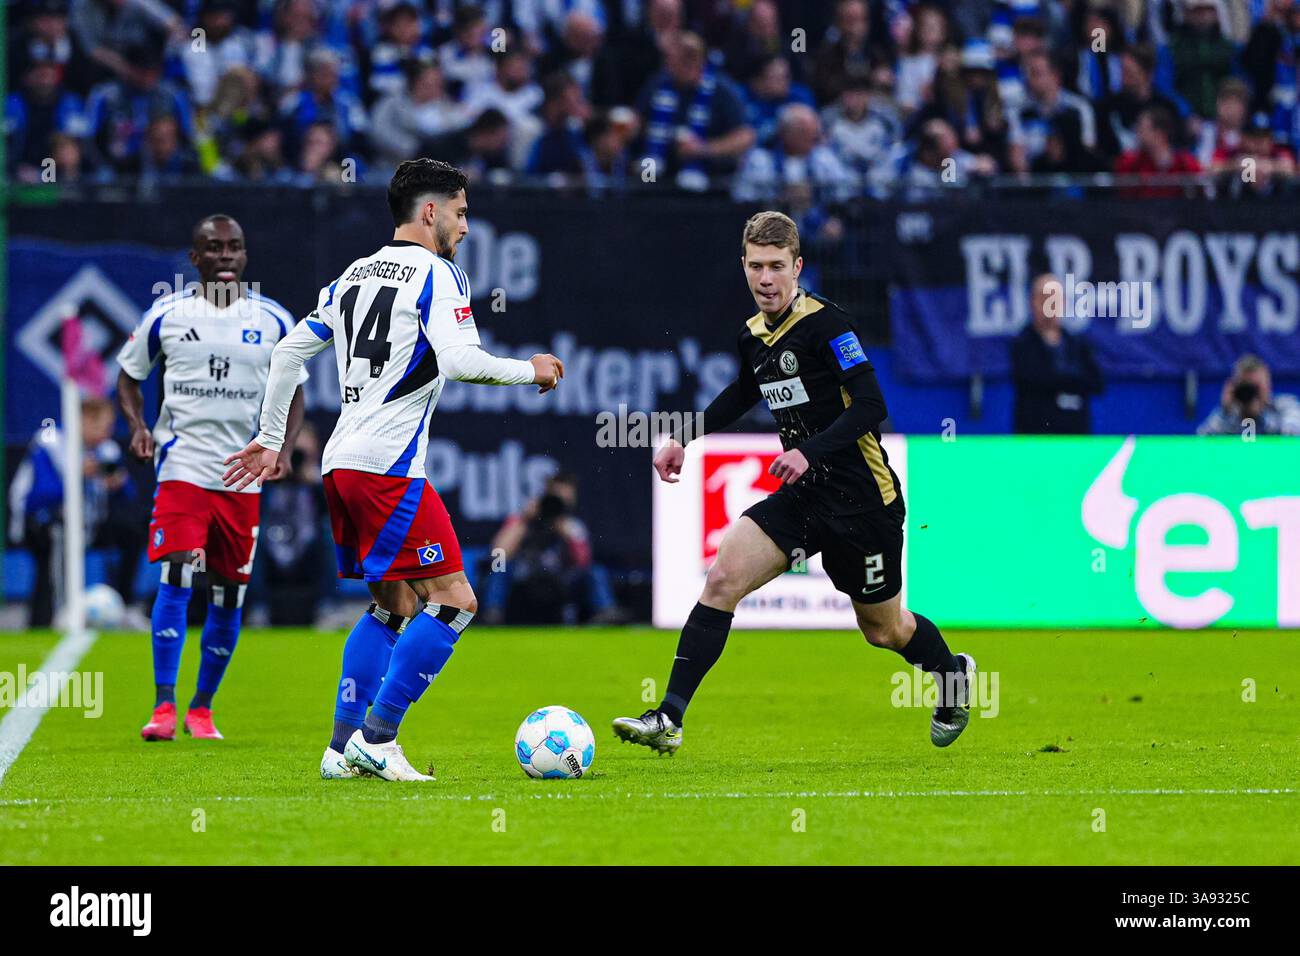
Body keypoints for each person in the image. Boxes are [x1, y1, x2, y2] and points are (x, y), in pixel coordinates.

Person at [222, 159, 564, 782]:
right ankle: (379, 738)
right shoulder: (439, 274)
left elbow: (288, 350)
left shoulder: (354, 273)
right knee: (456, 601)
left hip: (340, 465)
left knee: (392, 605)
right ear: (429, 211)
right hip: (388, 469)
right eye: (460, 213)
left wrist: (272, 440)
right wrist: (531, 369)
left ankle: (341, 748)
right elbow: (462, 361)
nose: (465, 226)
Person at [612, 211, 974, 755]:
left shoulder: (829, 325)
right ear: (743, 266)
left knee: (883, 630)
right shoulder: (753, 334)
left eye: (777, 267)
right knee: (722, 580)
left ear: (798, 266)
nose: (766, 279)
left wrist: (808, 450)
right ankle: (669, 717)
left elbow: (873, 405)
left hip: (863, 502)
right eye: (756, 266)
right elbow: (742, 393)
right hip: (806, 497)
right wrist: (683, 437)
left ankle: (950, 675)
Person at [116, 214, 307, 743]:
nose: (226, 256)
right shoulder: (167, 314)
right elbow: (129, 376)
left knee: (228, 593)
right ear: (195, 258)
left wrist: (284, 448)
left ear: (245, 256)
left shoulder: (272, 320)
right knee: (177, 572)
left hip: (242, 475)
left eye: (235, 248)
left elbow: (293, 391)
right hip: (182, 467)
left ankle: (202, 708)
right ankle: (163, 706)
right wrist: (137, 428)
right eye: (214, 248)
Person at [7, 397, 145, 628]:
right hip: (42, 524)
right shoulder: (51, 443)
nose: (107, 432)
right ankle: (52, 616)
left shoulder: (106, 449)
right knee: (57, 536)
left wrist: (118, 484)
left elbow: (129, 495)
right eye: (102, 425)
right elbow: (37, 499)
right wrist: (77, 475)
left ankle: (126, 604)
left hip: (88, 522)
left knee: (131, 531)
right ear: (82, 420)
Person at [1010, 274, 1105, 434]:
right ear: (1032, 302)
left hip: (1075, 436)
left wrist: (1061, 382)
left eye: (1055, 299)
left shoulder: (1078, 344)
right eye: (1045, 298)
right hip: (1036, 438)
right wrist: (1072, 381)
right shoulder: (1023, 344)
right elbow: (1032, 379)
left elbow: (1096, 382)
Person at [1197, 354, 1300, 436]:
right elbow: (1201, 444)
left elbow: (1292, 437)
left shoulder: (1285, 406)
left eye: (1256, 387)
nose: (1251, 392)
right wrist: (1225, 412)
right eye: (1246, 386)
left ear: (1268, 386)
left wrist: (1259, 417)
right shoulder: (1229, 416)